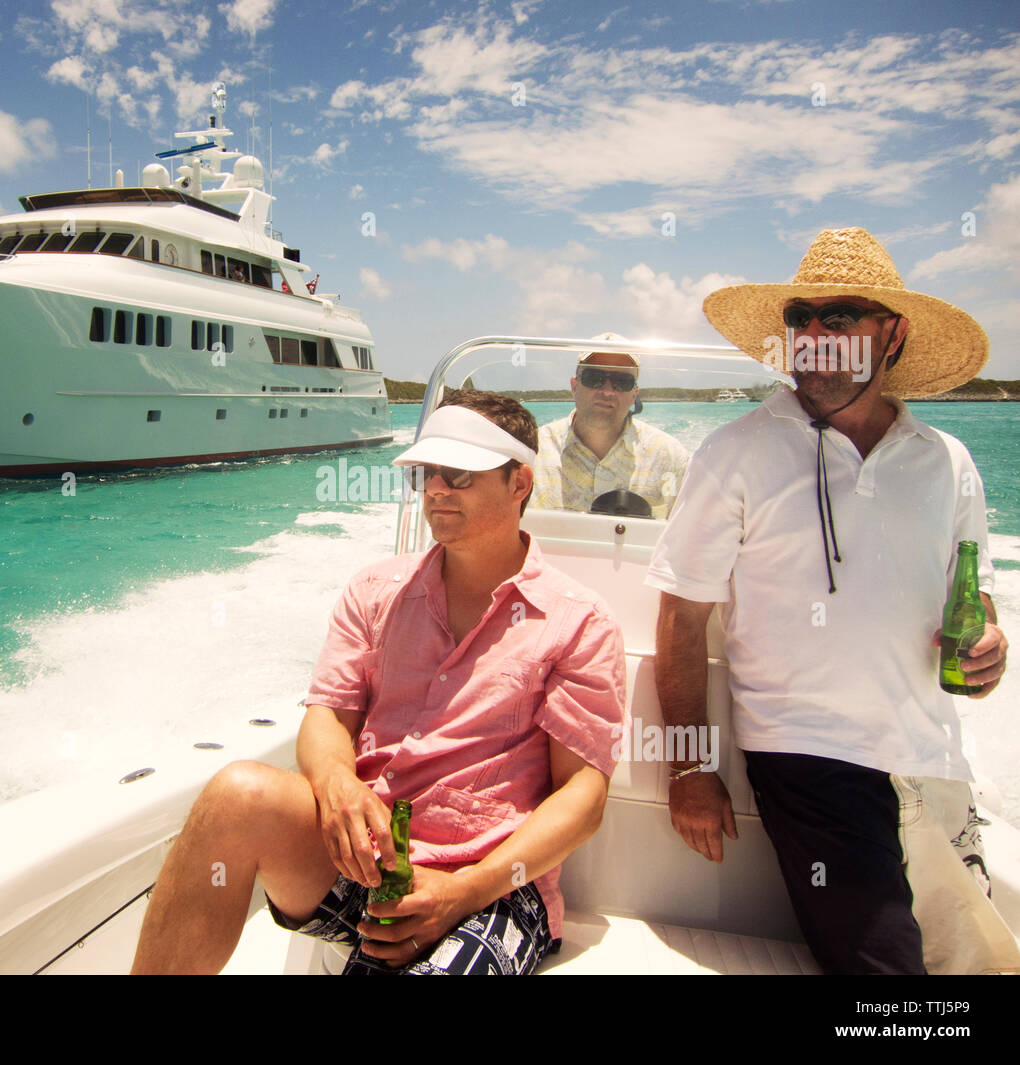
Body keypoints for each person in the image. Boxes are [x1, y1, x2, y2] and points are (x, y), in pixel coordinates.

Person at [131, 390, 627, 975]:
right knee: (236, 796)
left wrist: (462, 891)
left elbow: (583, 797)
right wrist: (337, 782)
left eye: (458, 475)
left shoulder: (579, 621)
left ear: (519, 483)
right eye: (426, 473)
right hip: (364, 857)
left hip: (488, 883)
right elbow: (327, 715)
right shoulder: (374, 592)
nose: (435, 489)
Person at [646, 226, 1015, 974]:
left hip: (934, 759)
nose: (813, 334)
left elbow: (974, 608)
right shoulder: (738, 451)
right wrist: (687, 765)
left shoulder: (948, 462)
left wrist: (989, 653)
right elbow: (682, 614)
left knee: (983, 964)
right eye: (799, 317)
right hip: (812, 760)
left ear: (894, 332)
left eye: (839, 315)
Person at [527, 336, 689, 518]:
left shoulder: (670, 457)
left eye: (622, 382)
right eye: (594, 378)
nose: (607, 391)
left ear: (634, 394)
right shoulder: (532, 451)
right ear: (574, 386)